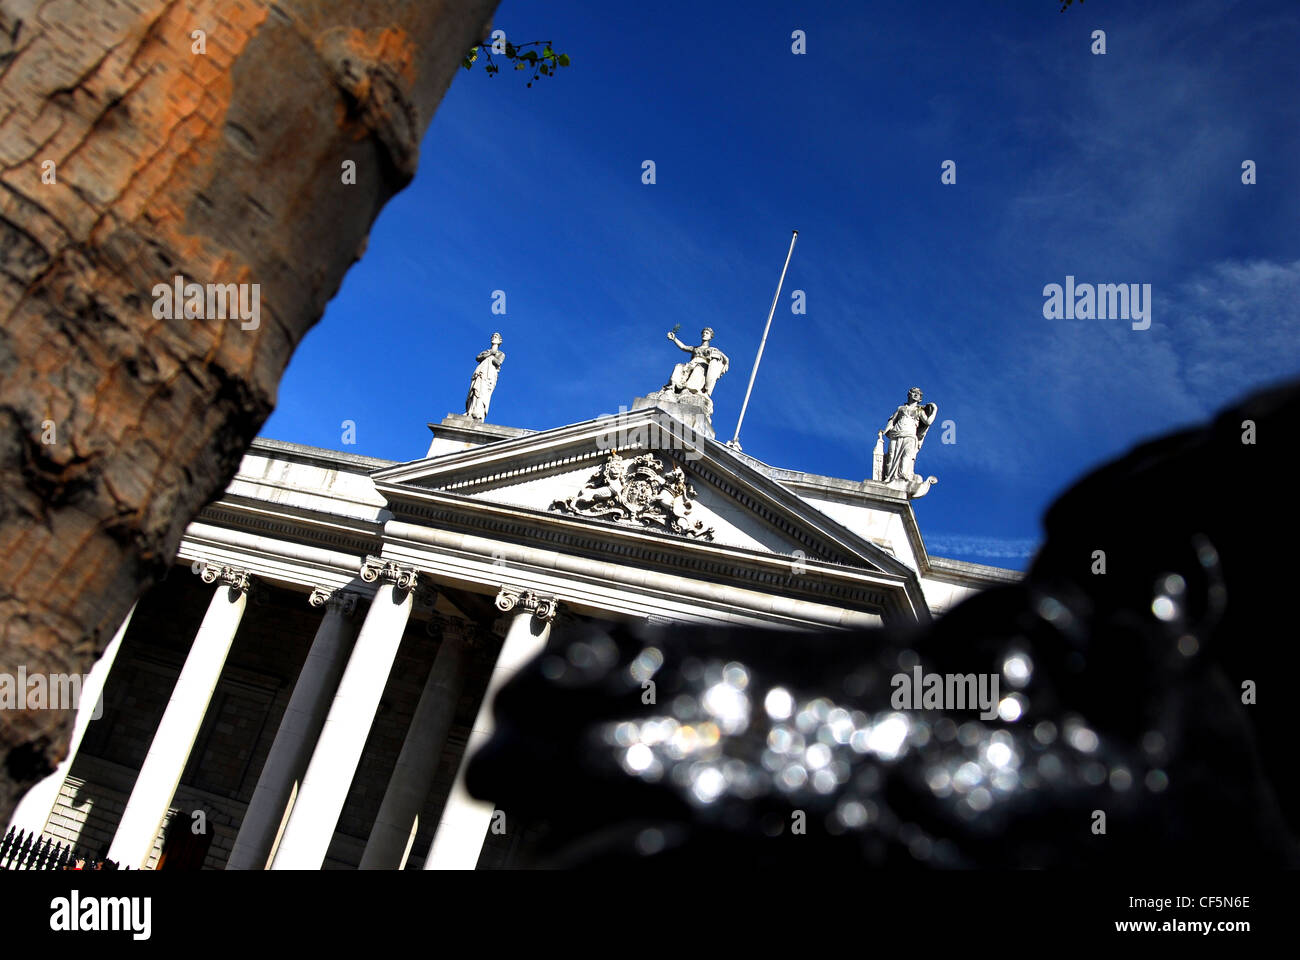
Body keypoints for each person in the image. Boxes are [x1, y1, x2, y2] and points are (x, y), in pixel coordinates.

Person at [880, 387, 937, 482]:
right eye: (913, 393)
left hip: (910, 435)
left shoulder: (920, 411)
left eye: (917, 394)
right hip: (896, 433)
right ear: (909, 395)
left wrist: (934, 409)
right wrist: (885, 431)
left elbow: (928, 422)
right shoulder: (901, 408)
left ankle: (902, 475)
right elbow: (892, 420)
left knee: (907, 455)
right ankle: (889, 477)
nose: (915, 395)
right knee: (891, 455)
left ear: (920, 399)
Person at [664, 327, 729, 397]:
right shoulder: (695, 348)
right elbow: (683, 347)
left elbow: (724, 358)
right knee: (679, 366)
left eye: (707, 333)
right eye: (703, 333)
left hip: (702, 366)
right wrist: (674, 339)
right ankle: (673, 386)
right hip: (691, 364)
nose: (704, 334)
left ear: (710, 337)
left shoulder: (712, 349)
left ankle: (689, 389)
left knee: (698, 369)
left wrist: (720, 357)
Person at [465, 333, 505, 420]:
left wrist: (491, 356)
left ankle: (479, 412)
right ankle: (471, 411)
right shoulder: (487, 351)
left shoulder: (501, 353)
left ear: (500, 341)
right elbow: (478, 357)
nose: (493, 338)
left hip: (489, 374)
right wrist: (490, 353)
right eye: (493, 337)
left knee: (483, 391)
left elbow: (498, 362)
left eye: (496, 337)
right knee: (475, 389)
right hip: (480, 371)